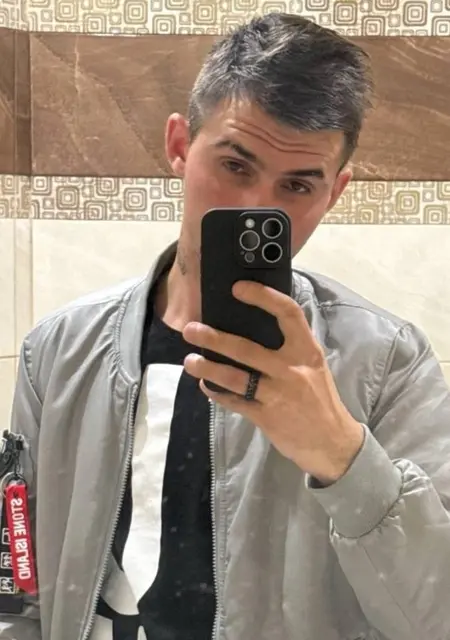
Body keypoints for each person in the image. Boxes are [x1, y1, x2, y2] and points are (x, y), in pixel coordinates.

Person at [3, 12, 450, 640]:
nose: (255, 206)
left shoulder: (388, 363)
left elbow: (436, 615)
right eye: (236, 166)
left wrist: (342, 456)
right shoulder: (57, 350)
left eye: (297, 185)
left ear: (334, 192)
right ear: (179, 146)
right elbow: (20, 580)